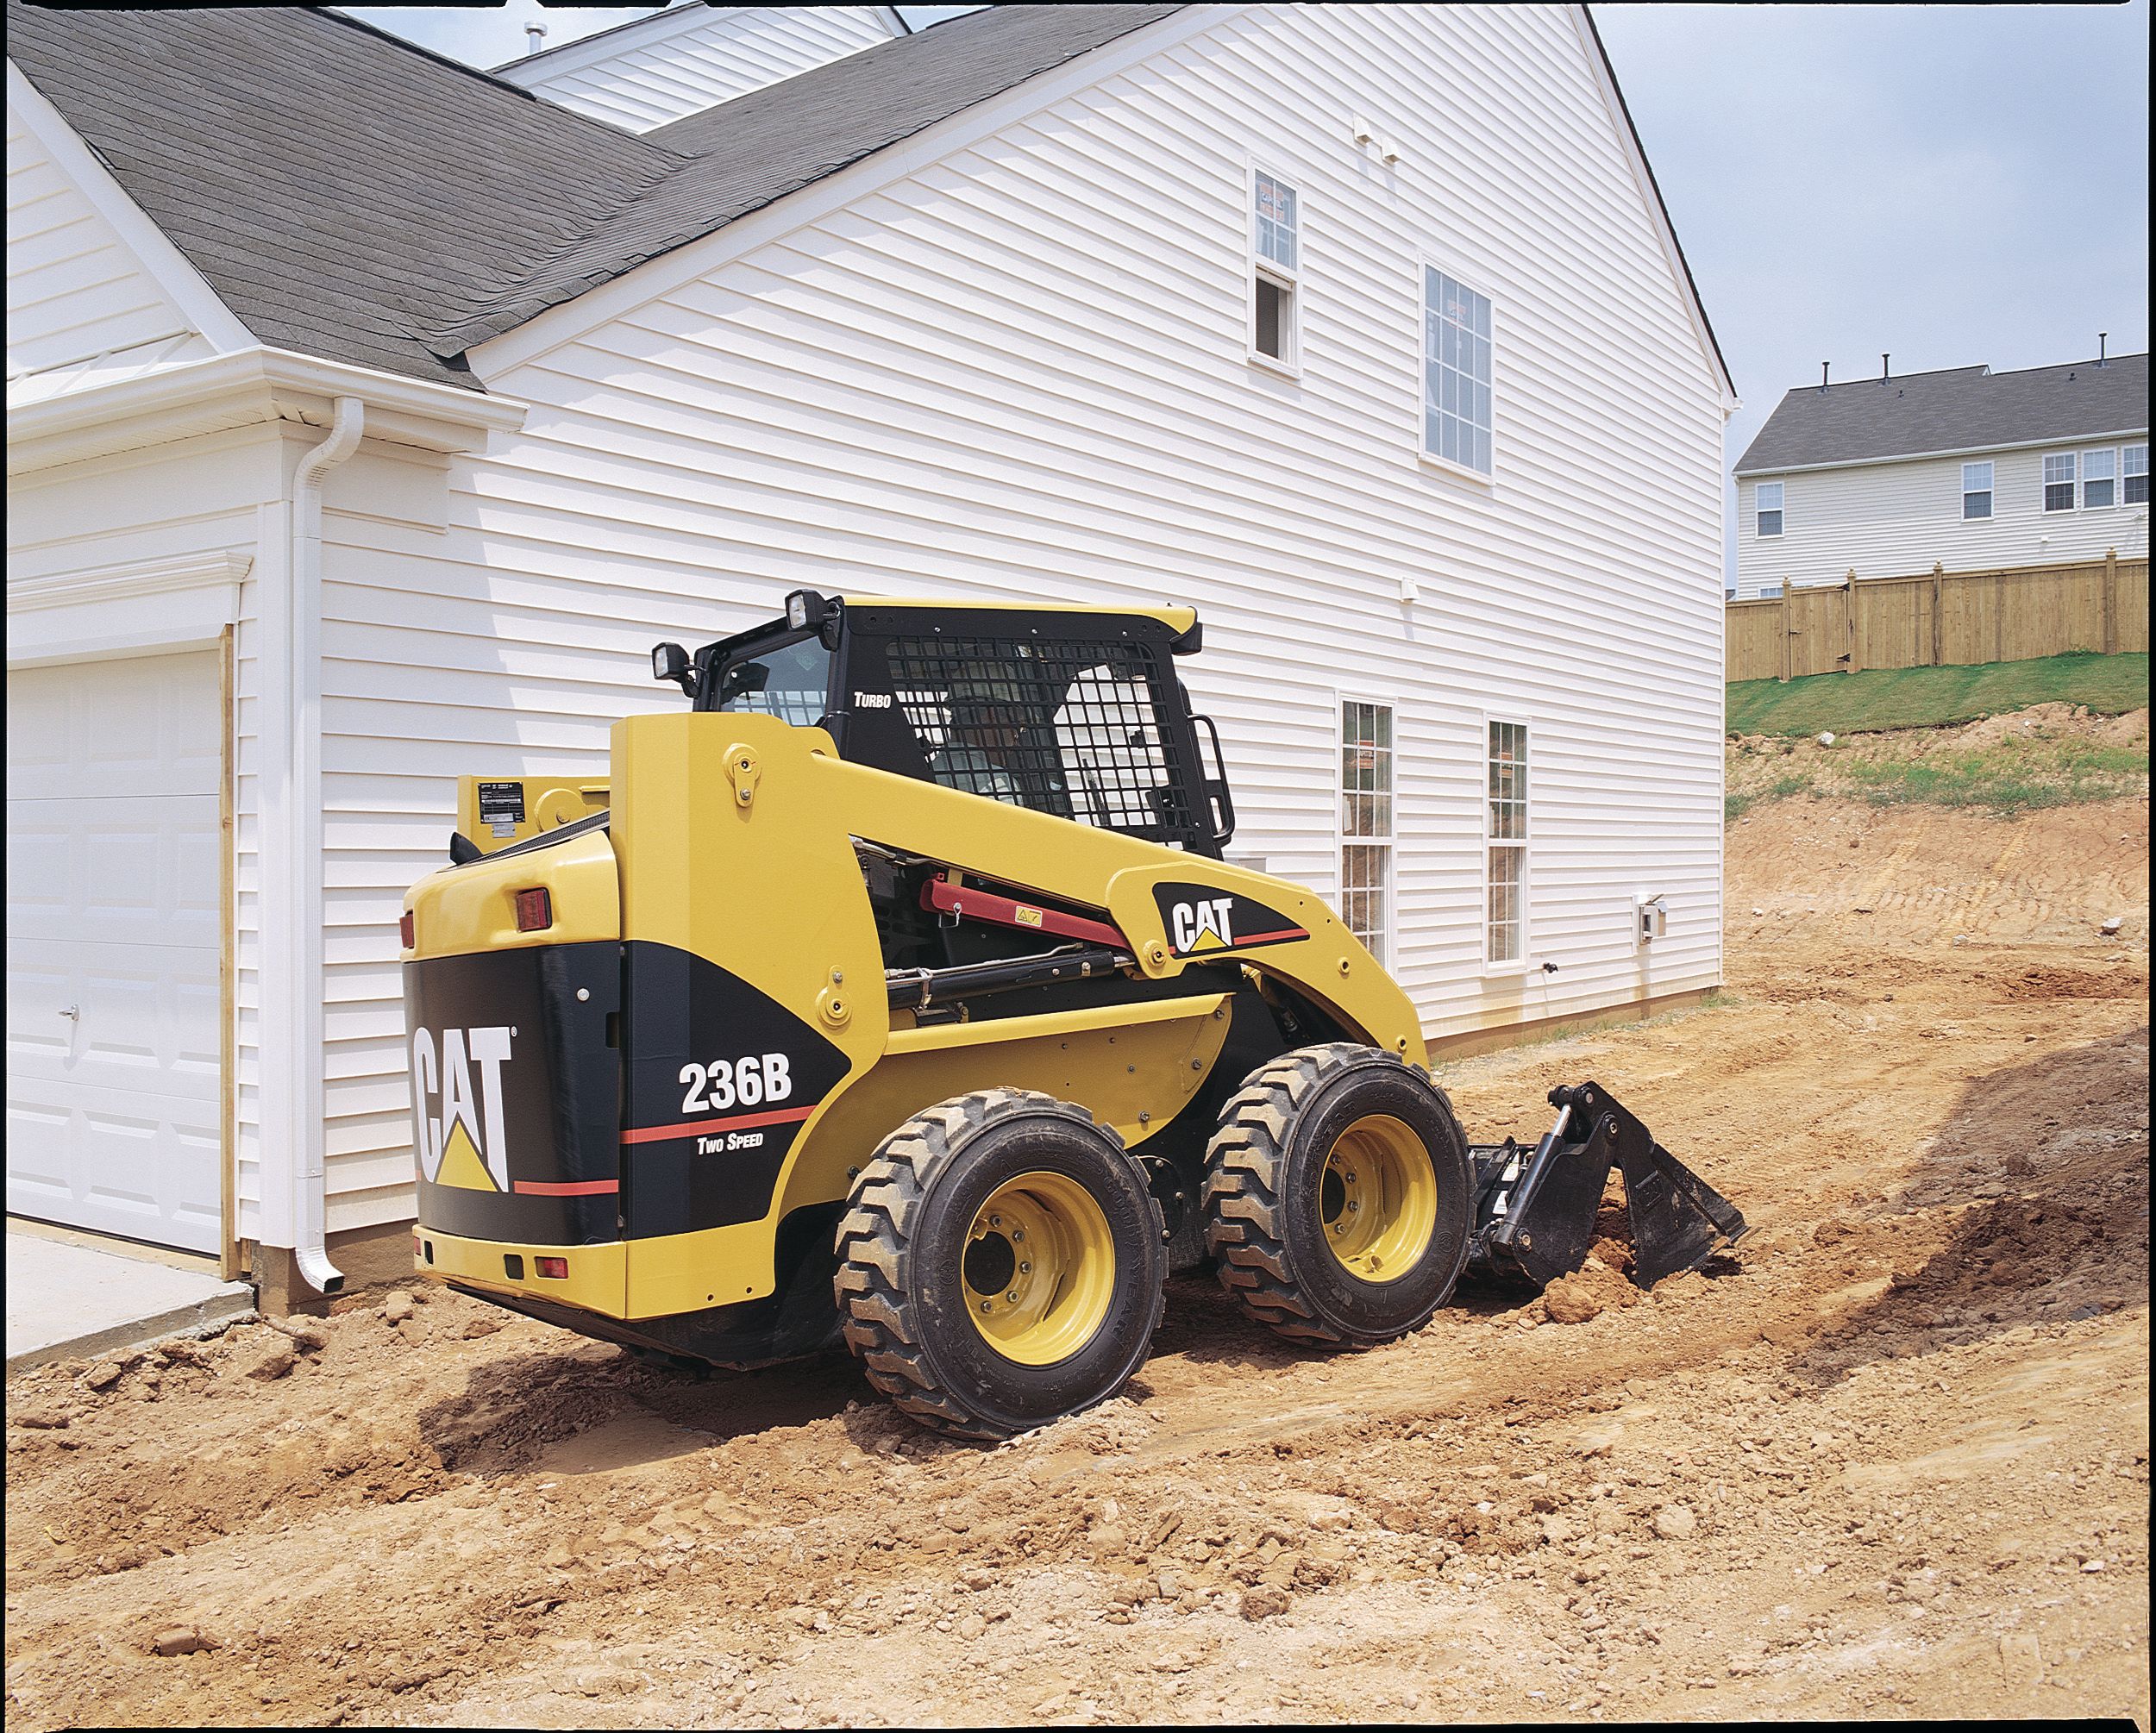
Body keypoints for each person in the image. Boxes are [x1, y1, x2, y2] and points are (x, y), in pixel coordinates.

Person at [928, 672, 1062, 808]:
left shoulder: (923, 775)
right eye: (1017, 726)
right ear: (994, 716)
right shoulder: (997, 785)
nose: (1017, 740)